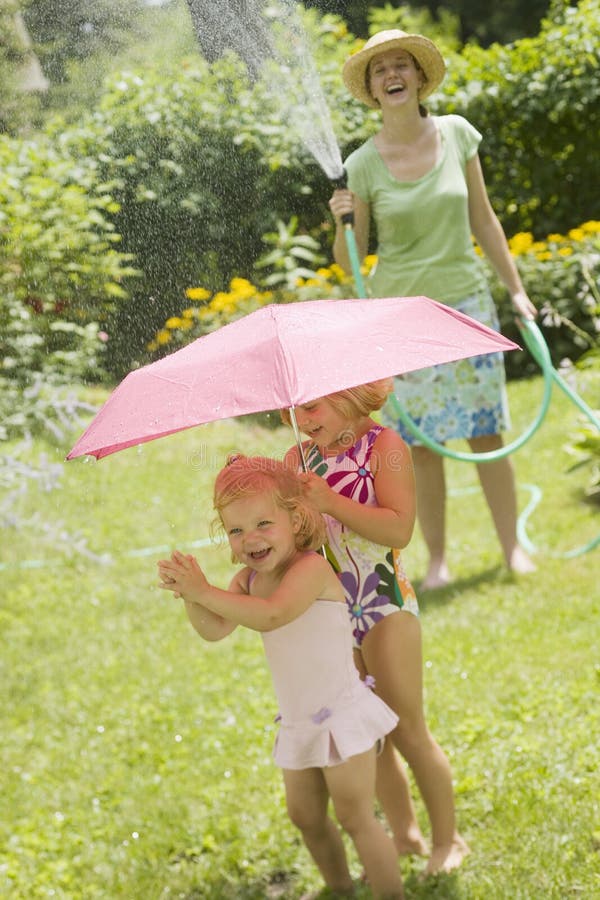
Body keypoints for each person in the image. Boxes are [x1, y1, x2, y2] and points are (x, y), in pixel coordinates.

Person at [329, 29, 537, 590]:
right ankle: (439, 561)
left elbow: (484, 220)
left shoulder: (457, 134)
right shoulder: (362, 163)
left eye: (402, 65)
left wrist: (515, 290)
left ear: (419, 77)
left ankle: (512, 548)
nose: (392, 74)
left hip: (466, 303)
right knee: (420, 447)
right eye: (380, 70)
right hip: (401, 318)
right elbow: (352, 258)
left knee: (486, 432)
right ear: (372, 89)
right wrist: (342, 218)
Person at [158, 454, 404, 900]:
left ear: (295, 518)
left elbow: (272, 616)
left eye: (263, 524)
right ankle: (340, 887)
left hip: (342, 716)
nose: (250, 539)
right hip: (299, 722)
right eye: (236, 530)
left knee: (355, 817)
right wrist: (191, 597)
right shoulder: (247, 580)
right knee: (305, 816)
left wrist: (204, 591)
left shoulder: (309, 568)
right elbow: (214, 629)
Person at [282, 380, 469, 876]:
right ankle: (405, 833)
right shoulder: (297, 460)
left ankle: (448, 841)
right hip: (333, 615)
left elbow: (397, 529)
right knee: (370, 736)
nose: (304, 419)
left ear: (348, 394)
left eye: (313, 405)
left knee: (407, 730)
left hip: (385, 602)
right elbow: (300, 543)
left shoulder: (383, 448)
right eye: (295, 409)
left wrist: (328, 501)